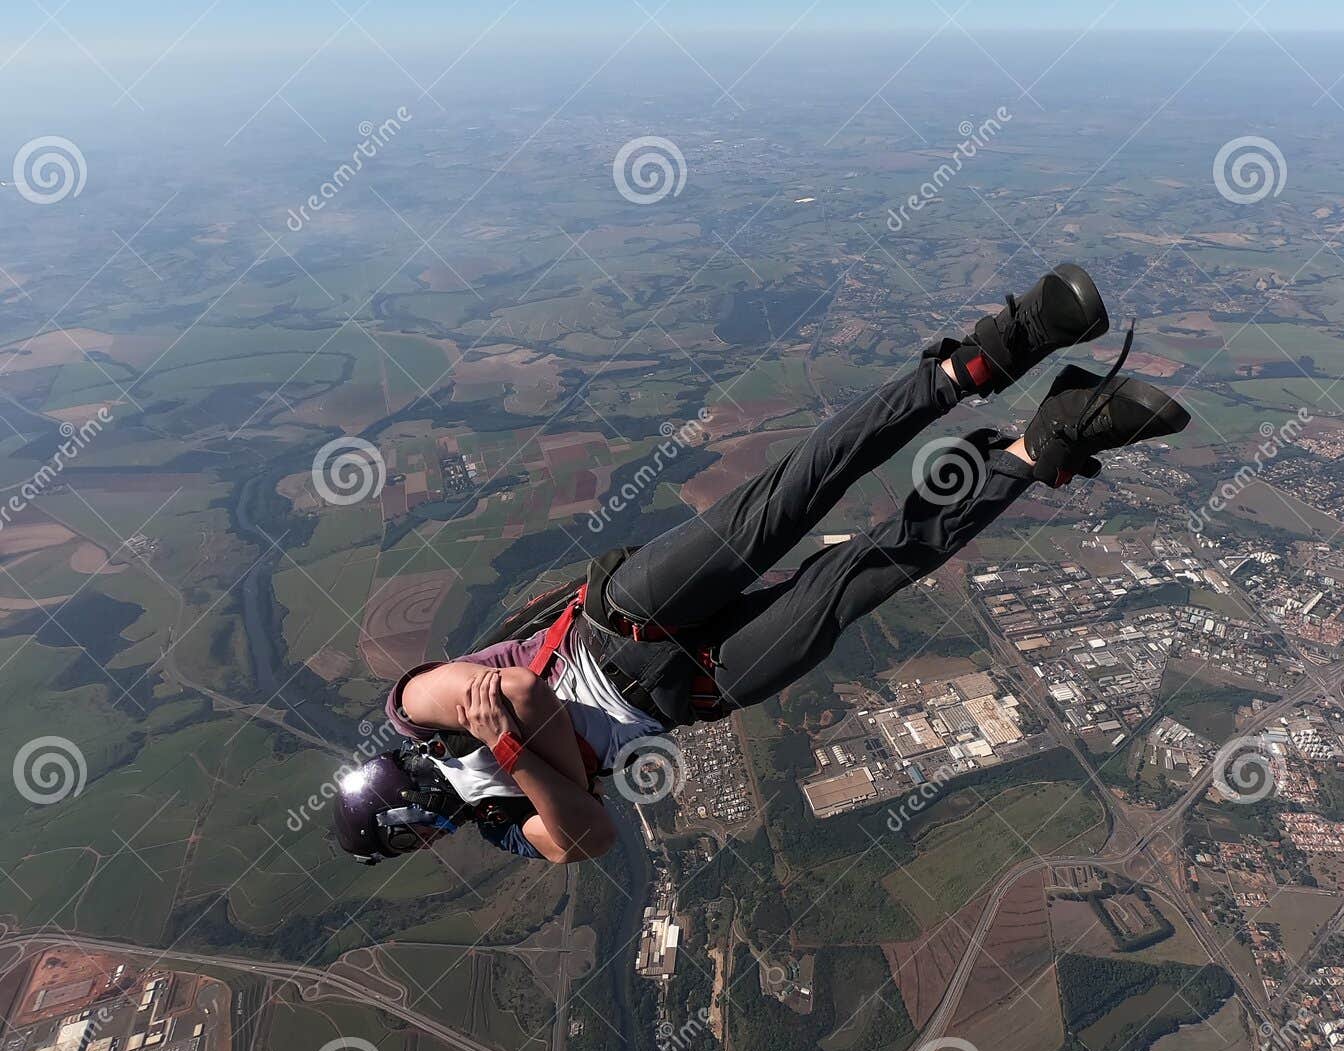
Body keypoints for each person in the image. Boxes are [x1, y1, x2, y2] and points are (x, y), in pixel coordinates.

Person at [332, 262, 1190, 865]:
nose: (422, 843)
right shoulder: (494, 816)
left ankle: (995, 349)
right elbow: (591, 837)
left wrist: (539, 758)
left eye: (402, 837)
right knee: (861, 582)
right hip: (688, 691)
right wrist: (519, 756)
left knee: (799, 488)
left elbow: (525, 702)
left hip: (618, 626)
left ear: (392, 806)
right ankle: (1045, 444)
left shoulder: (411, 712)